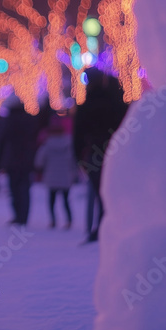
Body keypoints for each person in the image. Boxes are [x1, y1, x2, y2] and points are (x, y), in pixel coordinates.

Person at [73, 67, 129, 243]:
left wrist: (78, 157)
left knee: (97, 192)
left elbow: (78, 134)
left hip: (95, 152)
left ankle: (97, 229)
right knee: (114, 192)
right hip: (117, 152)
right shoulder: (117, 104)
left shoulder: (87, 106)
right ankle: (114, 227)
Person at [0, 96, 48, 226]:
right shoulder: (30, 120)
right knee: (25, 188)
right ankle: (24, 216)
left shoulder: (8, 121)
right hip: (28, 160)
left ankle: (17, 216)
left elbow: (0, 141)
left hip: (11, 160)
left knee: (14, 189)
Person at [34, 114, 79, 229]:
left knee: (52, 200)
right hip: (65, 176)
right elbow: (73, 161)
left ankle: (53, 220)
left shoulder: (47, 145)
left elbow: (39, 161)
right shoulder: (69, 144)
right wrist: (74, 173)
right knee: (66, 200)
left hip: (51, 176)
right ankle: (69, 220)